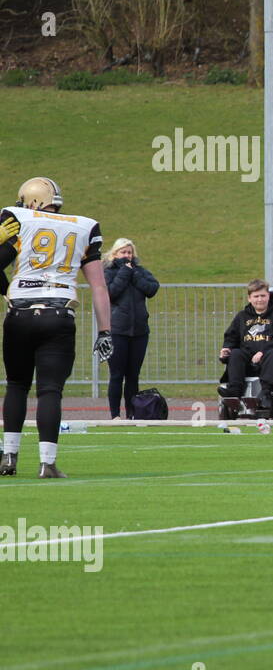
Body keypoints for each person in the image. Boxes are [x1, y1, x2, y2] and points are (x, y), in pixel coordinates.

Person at [0, 177, 113, 479]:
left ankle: (9, 457)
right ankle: (46, 463)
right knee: (50, 390)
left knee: (16, 385)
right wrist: (105, 331)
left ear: (31, 199)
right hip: (58, 314)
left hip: (20, 314)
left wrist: (8, 289)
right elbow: (99, 286)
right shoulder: (83, 225)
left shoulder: (19, 218)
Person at [103, 237, 159, 419]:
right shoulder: (109, 272)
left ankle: (132, 414)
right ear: (115, 254)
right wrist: (124, 274)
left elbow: (152, 288)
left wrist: (134, 274)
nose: (127, 255)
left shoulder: (140, 271)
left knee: (133, 375)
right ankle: (115, 415)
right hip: (118, 330)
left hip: (139, 331)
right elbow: (111, 293)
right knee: (117, 375)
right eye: (123, 252)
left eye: (129, 252)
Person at [220, 279, 273, 413]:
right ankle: (234, 392)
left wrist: (263, 352)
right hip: (247, 357)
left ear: (268, 296)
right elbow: (231, 336)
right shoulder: (242, 316)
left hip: (270, 359)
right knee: (236, 353)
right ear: (249, 298)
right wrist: (227, 348)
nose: (259, 299)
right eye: (256, 296)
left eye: (263, 296)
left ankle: (266, 394)